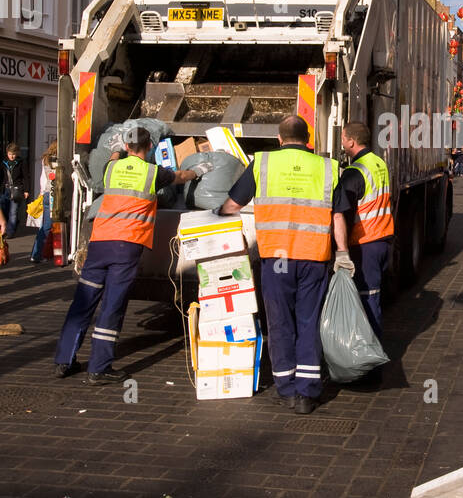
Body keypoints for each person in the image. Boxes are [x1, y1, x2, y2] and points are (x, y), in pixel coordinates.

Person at [55, 128, 197, 383]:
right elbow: (180, 176)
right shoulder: (153, 173)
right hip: (127, 246)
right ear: (150, 146)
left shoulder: (112, 169)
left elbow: (112, 157)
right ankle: (98, 367)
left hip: (99, 243)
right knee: (112, 304)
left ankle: (64, 361)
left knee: (83, 302)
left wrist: (116, 149)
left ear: (127, 148)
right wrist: (197, 171)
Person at [221, 114, 336, 415]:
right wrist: (345, 253)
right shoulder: (327, 167)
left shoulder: (262, 163)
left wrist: (214, 217)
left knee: (281, 320)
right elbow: (337, 215)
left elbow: (233, 205)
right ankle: (308, 393)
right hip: (314, 256)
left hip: (278, 259)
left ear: (279, 139)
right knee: (308, 321)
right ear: (308, 139)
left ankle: (286, 388)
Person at [332, 121, 394, 354]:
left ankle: (370, 361)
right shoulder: (379, 163)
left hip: (364, 243)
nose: (342, 143)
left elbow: (341, 212)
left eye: (343, 139)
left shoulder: (354, 172)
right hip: (382, 239)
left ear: (351, 141)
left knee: (367, 303)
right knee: (373, 299)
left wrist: (339, 250)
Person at [30, 142, 57, 262]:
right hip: (53, 194)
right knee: (47, 226)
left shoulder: (45, 160)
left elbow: (43, 178)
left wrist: (41, 193)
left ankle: (37, 253)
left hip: (46, 193)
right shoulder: (56, 160)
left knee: (45, 225)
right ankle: (37, 255)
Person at [1, 142, 28, 239]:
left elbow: (25, 177)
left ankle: (10, 232)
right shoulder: (4, 162)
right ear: (7, 153)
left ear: (17, 153)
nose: (11, 156)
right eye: (9, 154)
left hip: (16, 189)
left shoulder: (21, 162)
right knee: (4, 210)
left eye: (13, 154)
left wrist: (26, 190)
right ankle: (5, 229)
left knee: (13, 211)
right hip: (5, 189)